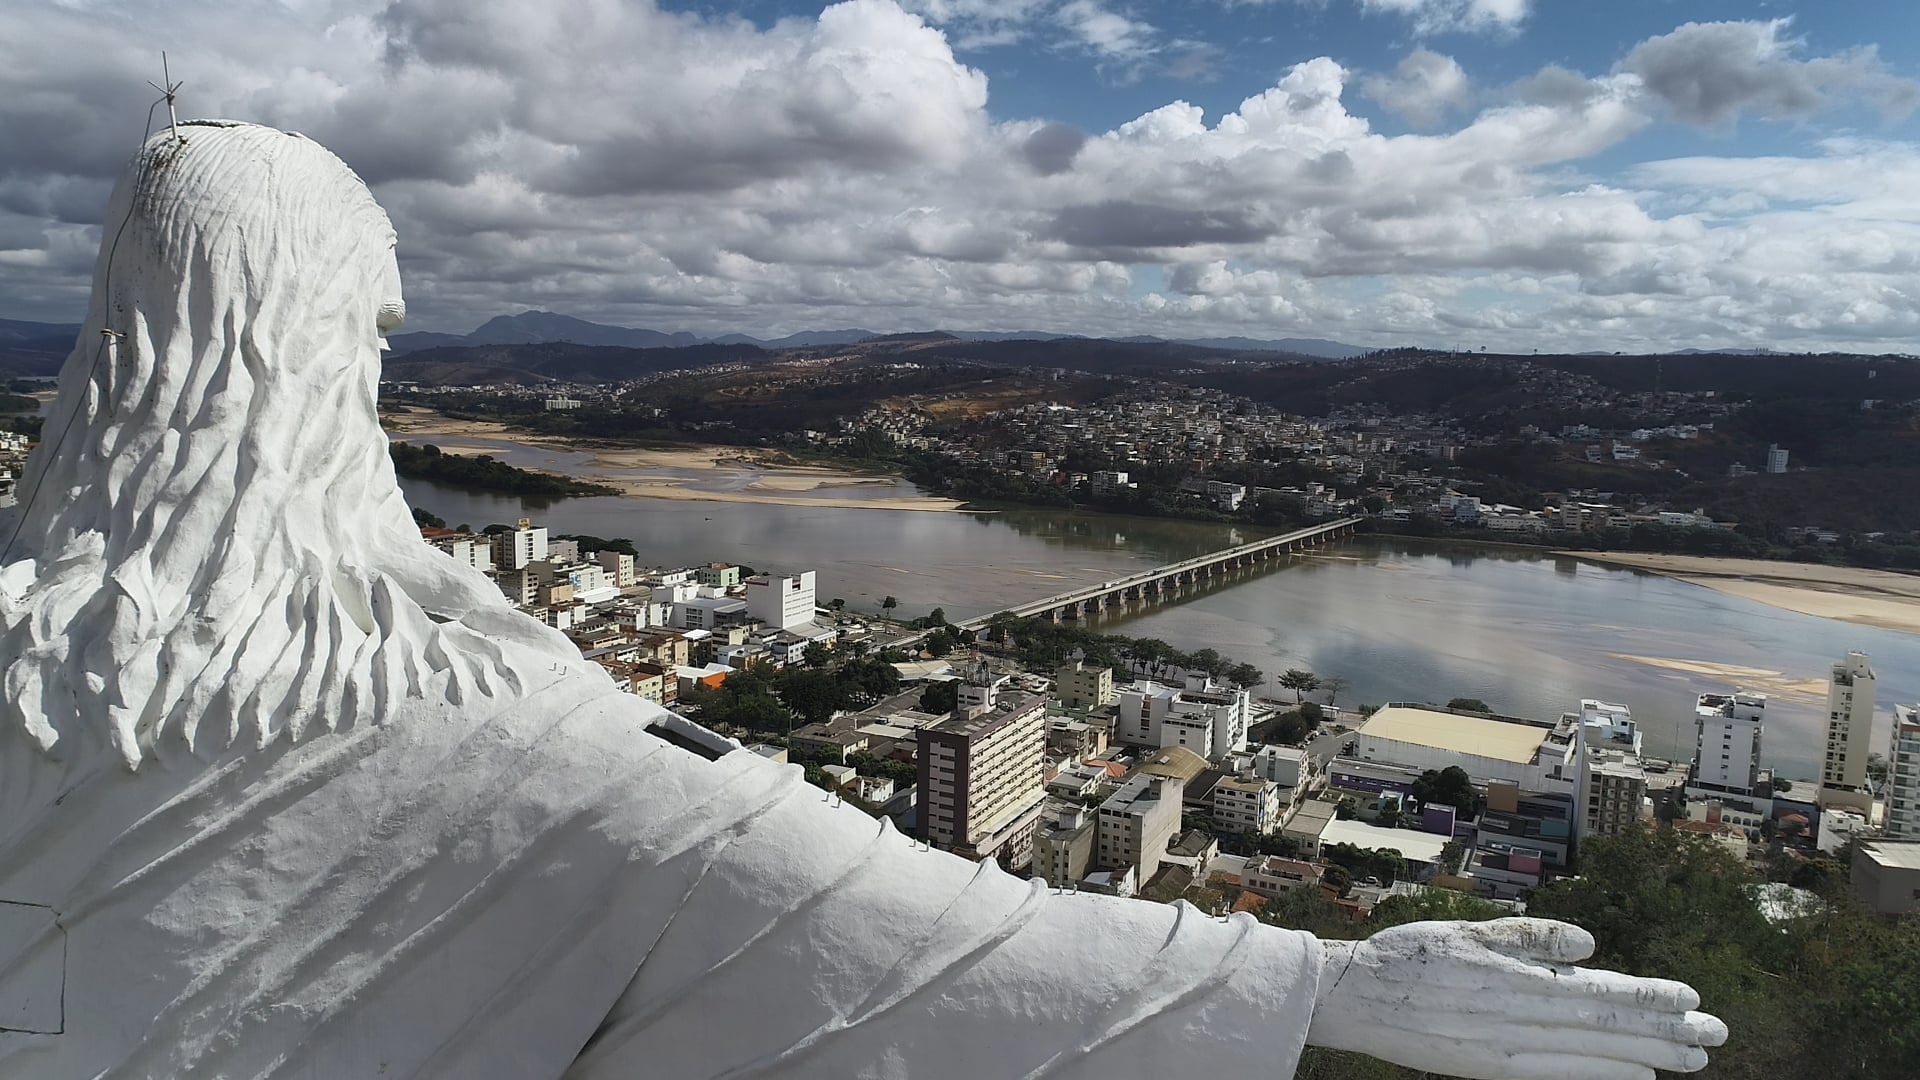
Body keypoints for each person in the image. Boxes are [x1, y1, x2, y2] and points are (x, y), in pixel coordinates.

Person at [0, 122, 1724, 1080]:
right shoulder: (496, 729)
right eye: (377, 339)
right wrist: (1324, 991)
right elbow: (894, 931)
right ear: (324, 349)